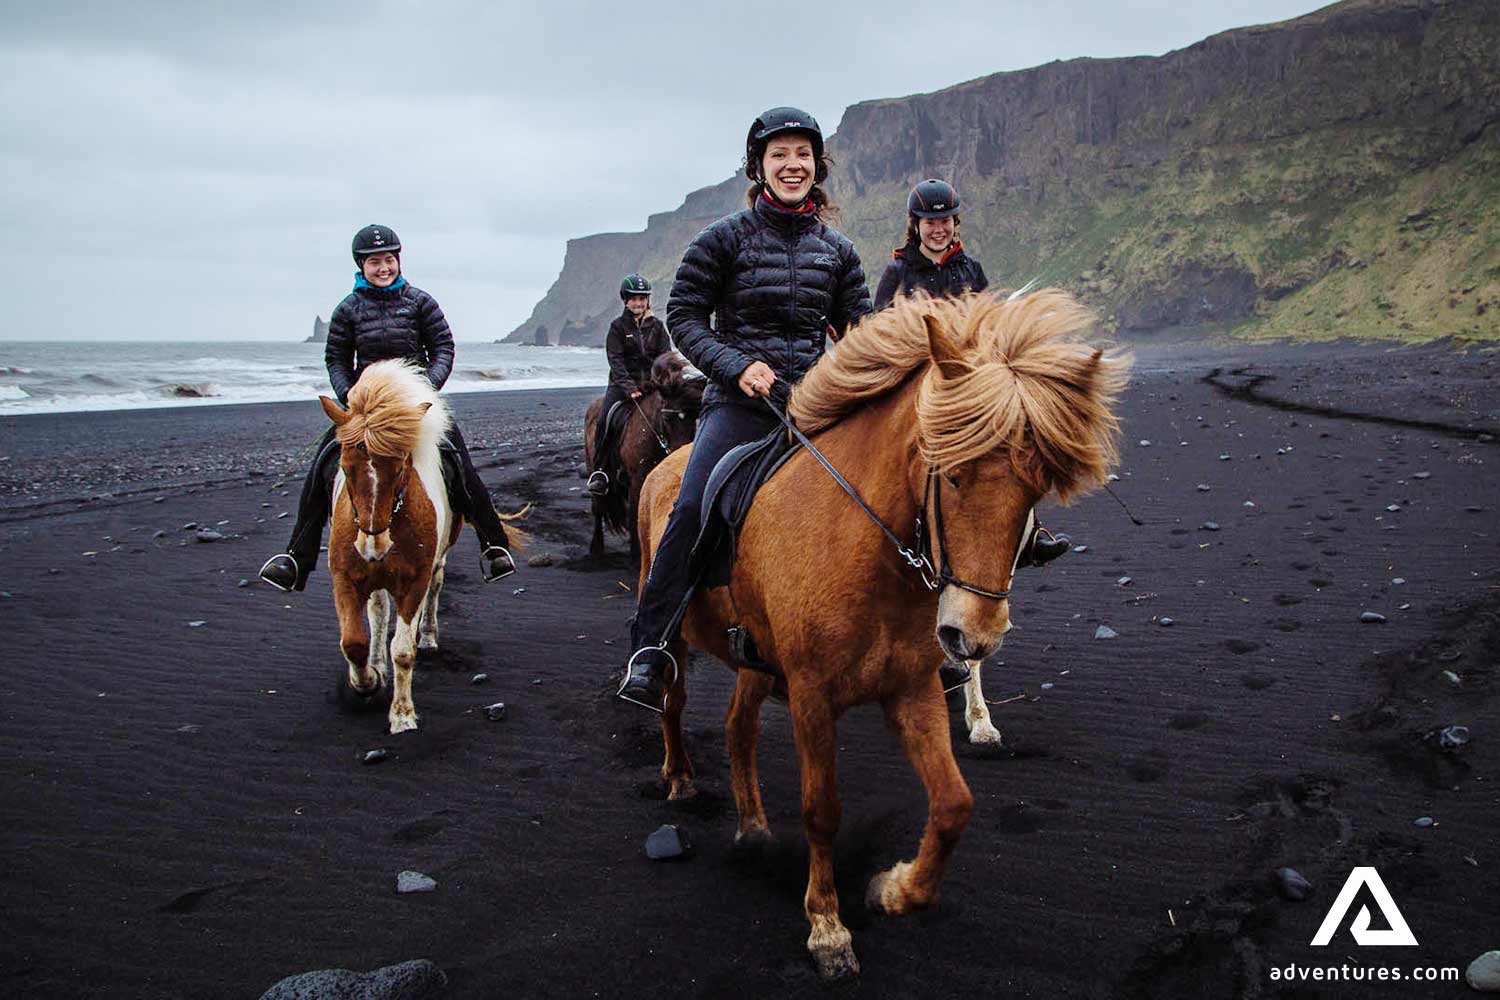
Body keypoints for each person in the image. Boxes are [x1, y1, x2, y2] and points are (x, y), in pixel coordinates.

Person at [616, 106, 871, 711]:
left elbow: (861, 331)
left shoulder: (837, 251)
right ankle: (649, 647)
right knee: (693, 505)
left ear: (818, 166)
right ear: (758, 166)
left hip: (814, 406)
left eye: (803, 155)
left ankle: (913, 646)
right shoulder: (722, 239)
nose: (792, 165)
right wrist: (737, 366)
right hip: (737, 405)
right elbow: (683, 318)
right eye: (779, 155)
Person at [876, 179, 1072, 689]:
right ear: (915, 225)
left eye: (946, 221)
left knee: (1012, 456)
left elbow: (988, 330)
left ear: (955, 224)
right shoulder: (897, 272)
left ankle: (1030, 534)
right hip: (915, 392)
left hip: (964, 391)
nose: (938, 228)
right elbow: (876, 334)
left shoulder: (971, 269)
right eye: (929, 221)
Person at [258, 224, 516, 592]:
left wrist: (424, 387)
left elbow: (443, 347)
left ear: (398, 261)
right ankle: (296, 557)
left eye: (390, 260)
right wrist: (351, 397)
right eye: (375, 262)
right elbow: (336, 358)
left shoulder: (420, 301)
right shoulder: (347, 309)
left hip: (414, 407)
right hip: (365, 410)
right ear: (361, 265)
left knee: (459, 463)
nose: (384, 268)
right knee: (322, 466)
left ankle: (494, 547)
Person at [586, 274, 673, 497]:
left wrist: (663, 382)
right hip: (621, 386)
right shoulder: (617, 327)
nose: (638, 303)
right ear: (626, 300)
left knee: (676, 414)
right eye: (634, 299)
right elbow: (616, 361)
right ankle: (601, 472)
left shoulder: (657, 326)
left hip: (651, 385)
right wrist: (629, 388)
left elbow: (664, 357)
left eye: (642, 298)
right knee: (605, 419)